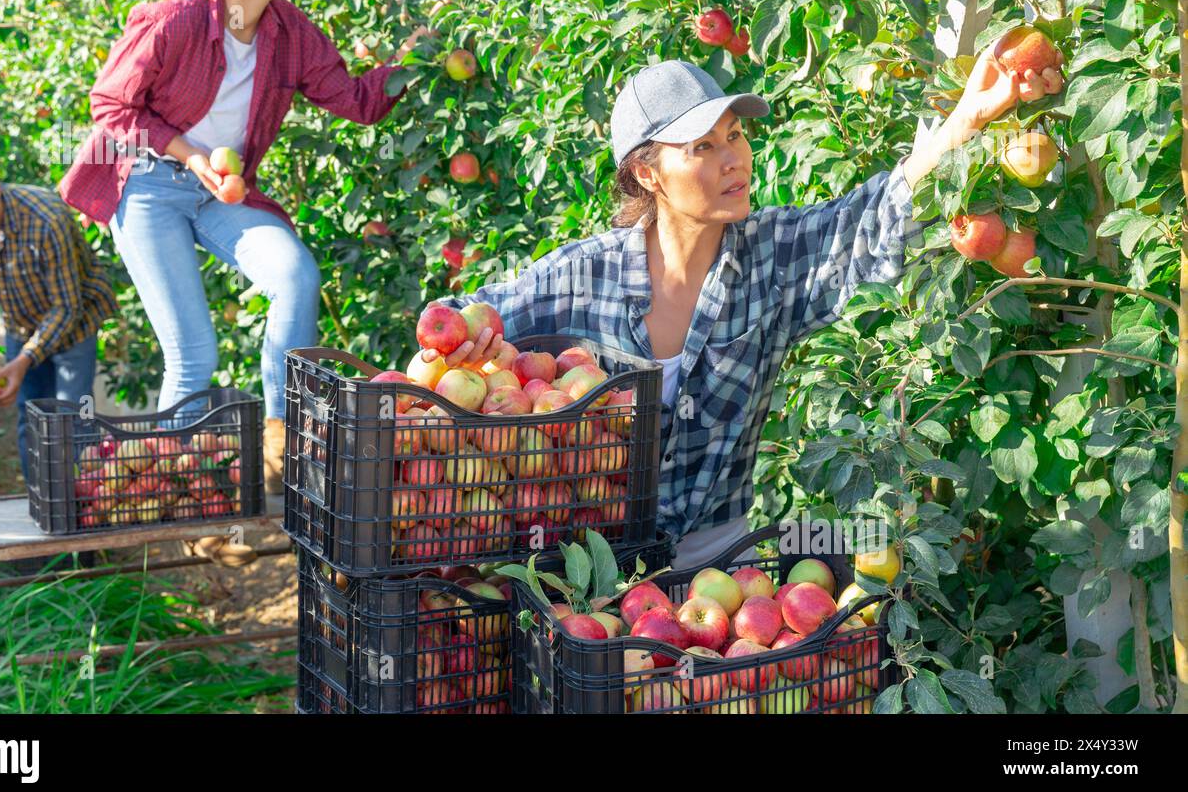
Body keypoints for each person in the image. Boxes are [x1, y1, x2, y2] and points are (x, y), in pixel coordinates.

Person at [427, 41, 1063, 568]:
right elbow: (456, 317)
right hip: (584, 571)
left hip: (719, 567)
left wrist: (968, 118)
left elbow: (872, 217)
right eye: (702, 147)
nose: (734, 159)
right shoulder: (584, 274)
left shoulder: (770, 256)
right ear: (648, 174)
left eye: (734, 135)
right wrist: (473, 346)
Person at [60, 0, 431, 494]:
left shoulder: (289, 32)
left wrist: (412, 60)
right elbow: (110, 105)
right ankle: (178, 493)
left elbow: (355, 102)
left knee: (295, 276)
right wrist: (191, 155)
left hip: (222, 195)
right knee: (193, 353)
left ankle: (280, 440)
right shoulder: (174, 22)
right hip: (150, 186)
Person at [0, 152, 118, 485]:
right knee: (30, 416)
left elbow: (66, 306)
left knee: (72, 416)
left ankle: (87, 504)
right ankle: (40, 499)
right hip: (22, 323)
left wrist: (21, 361)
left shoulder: (46, 219)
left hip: (74, 323)